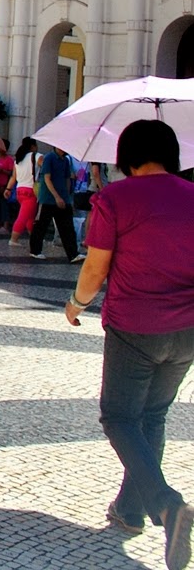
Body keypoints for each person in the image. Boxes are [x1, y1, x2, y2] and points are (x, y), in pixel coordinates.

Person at [65, 119, 194, 566]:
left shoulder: (115, 198)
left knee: (119, 417)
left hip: (135, 326)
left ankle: (165, 503)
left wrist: (76, 304)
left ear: (127, 156)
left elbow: (95, 270)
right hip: (188, 331)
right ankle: (130, 508)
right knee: (152, 416)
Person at [31, 142, 83, 261]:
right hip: (48, 198)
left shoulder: (65, 160)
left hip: (63, 198)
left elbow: (67, 179)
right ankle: (35, 250)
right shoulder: (49, 158)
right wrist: (56, 196)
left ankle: (72, 254)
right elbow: (47, 178)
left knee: (67, 227)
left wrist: (67, 196)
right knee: (41, 225)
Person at [9, 138, 41, 245]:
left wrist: (8, 189)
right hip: (30, 190)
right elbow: (45, 166)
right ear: (32, 146)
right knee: (23, 217)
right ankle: (14, 239)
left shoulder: (18, 159)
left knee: (29, 216)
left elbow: (14, 177)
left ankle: (34, 237)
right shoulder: (36, 156)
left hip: (19, 190)